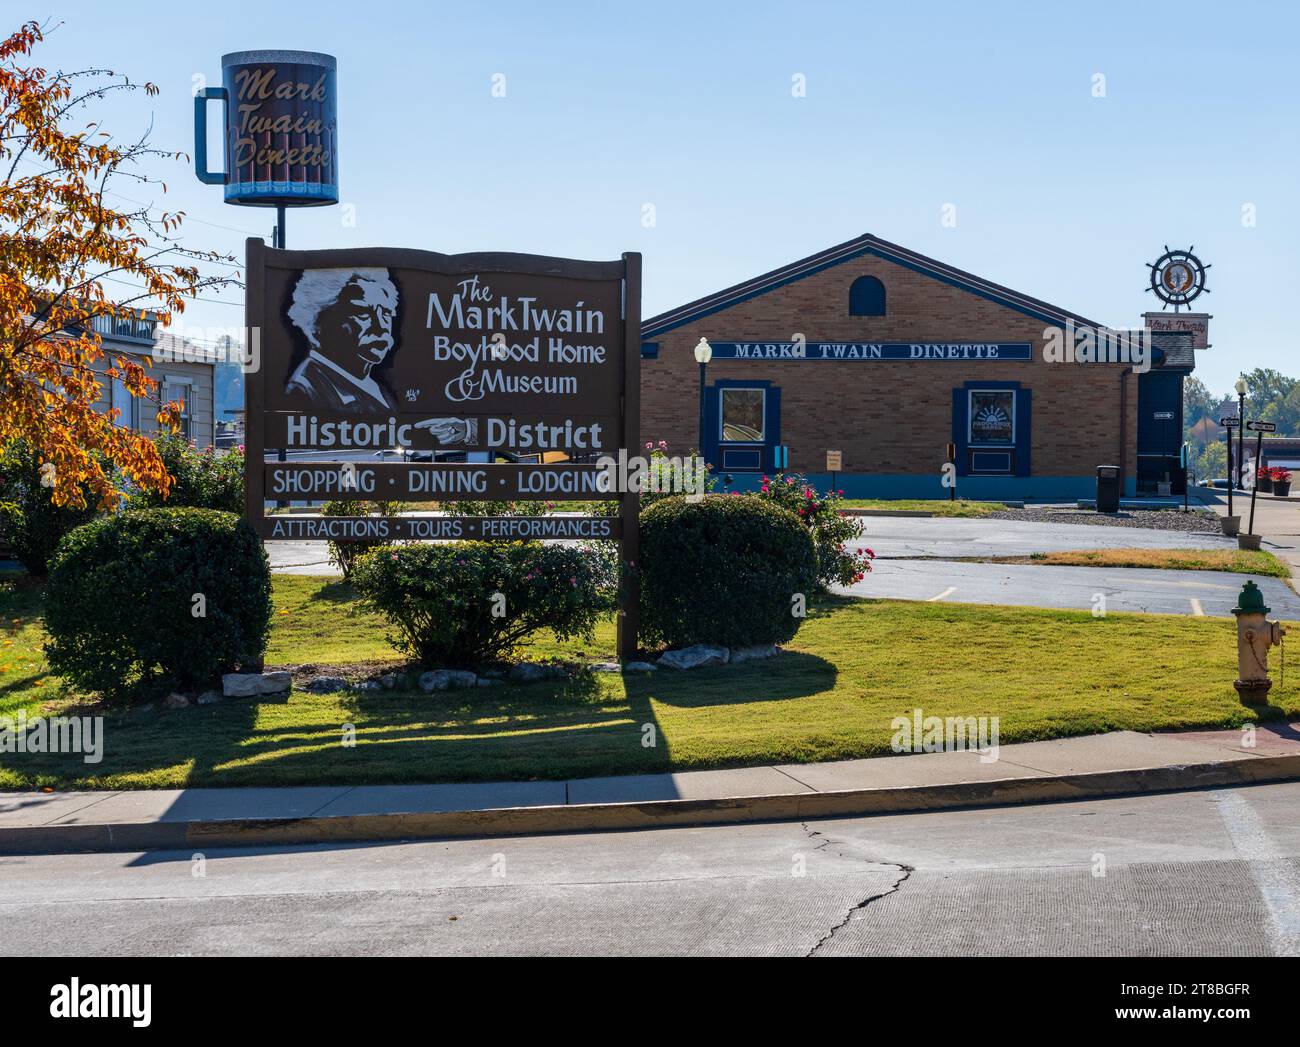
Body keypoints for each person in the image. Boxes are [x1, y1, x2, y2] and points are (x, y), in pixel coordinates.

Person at [285, 268, 398, 411]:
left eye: (386, 313)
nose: (381, 327)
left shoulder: (371, 385)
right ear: (318, 321)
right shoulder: (305, 389)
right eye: (363, 313)